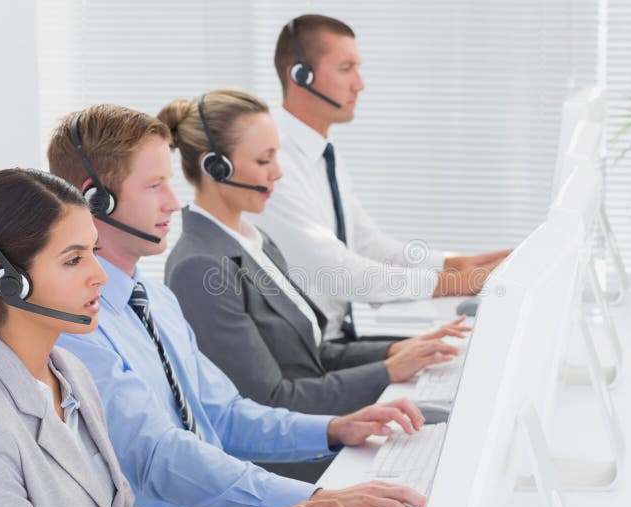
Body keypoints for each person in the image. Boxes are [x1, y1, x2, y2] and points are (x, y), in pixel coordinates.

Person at [49, 103, 427, 507]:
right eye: (155, 186)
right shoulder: (76, 329)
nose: (174, 204)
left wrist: (334, 429)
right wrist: (313, 498)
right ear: (94, 199)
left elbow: (224, 414)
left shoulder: (155, 300)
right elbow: (159, 457)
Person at [0, 168, 354, 507]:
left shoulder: (69, 374)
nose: (98, 274)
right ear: (8, 283)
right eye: (74, 259)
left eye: (93, 251)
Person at [159, 89, 469, 419]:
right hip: (286, 448)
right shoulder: (200, 267)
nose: (278, 172)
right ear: (216, 167)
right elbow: (269, 401)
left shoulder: (255, 241)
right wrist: (388, 372)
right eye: (264, 160)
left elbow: (310, 354)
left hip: (317, 422)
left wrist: (397, 351)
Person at [248, 14, 513, 340]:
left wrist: (460, 264)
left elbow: (368, 245)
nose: (360, 84)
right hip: (304, 353)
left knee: (451, 353)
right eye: (346, 69)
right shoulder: (272, 161)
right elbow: (335, 271)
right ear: (300, 76)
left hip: (332, 342)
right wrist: (456, 282)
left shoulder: (323, 154)